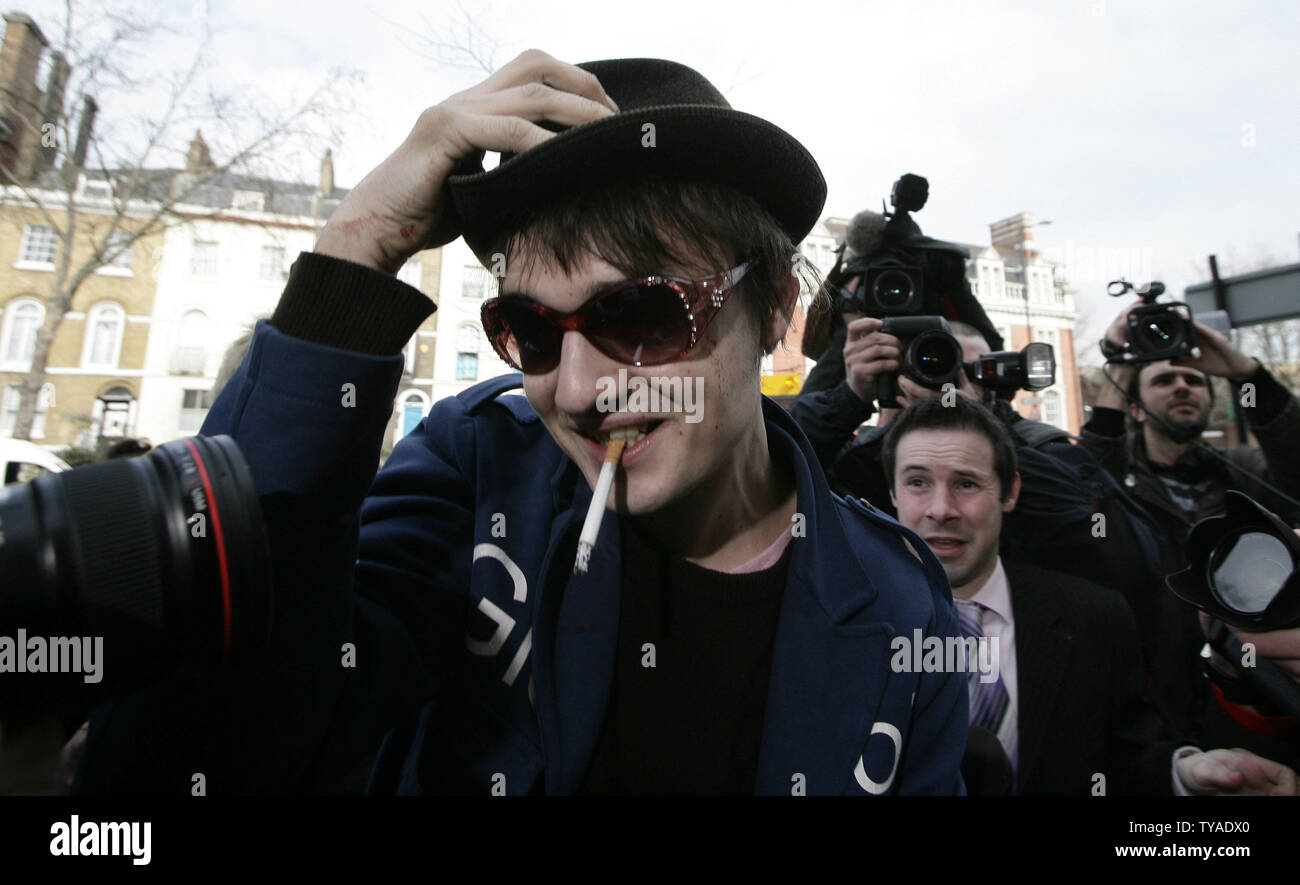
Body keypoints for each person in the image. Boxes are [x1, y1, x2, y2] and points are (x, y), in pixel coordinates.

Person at [76, 53, 968, 795]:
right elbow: (205, 730)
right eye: (531, 331)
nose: (576, 387)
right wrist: (359, 246)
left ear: (774, 303)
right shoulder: (476, 477)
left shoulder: (899, 601)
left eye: (644, 315)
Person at [883, 395, 1297, 795]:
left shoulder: (1093, 617)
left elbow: (1125, 758)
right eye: (918, 482)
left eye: (967, 483)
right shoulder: (842, 623)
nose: (941, 509)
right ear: (893, 494)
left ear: (1009, 493)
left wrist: (1183, 775)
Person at [1081, 301, 1300, 739]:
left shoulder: (1246, 473)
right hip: (1149, 711)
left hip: (1254, 701)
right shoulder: (1117, 485)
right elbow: (1085, 487)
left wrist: (1244, 372)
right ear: (1136, 409)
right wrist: (1118, 371)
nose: (1182, 386)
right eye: (1163, 380)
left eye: (1194, 380)